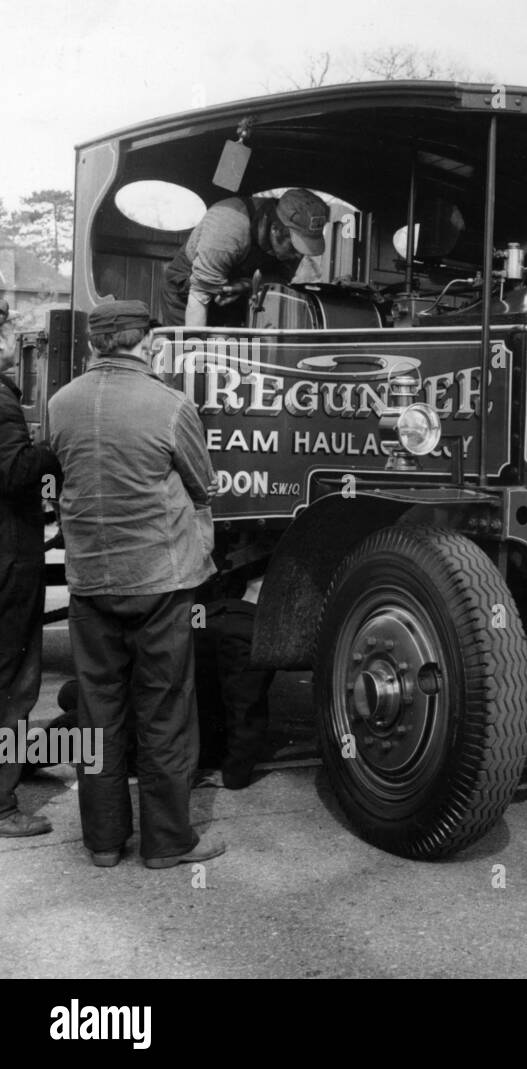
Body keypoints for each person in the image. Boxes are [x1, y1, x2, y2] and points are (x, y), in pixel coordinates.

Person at [47, 300, 226, 868]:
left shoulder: (59, 405)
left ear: (97, 344)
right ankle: (168, 843)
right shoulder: (171, 405)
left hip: (90, 581)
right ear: (143, 341)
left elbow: (61, 473)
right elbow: (204, 483)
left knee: (99, 711)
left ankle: (102, 843)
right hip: (159, 580)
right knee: (165, 710)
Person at [0, 297, 62, 836]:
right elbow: (17, 472)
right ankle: (0, 803)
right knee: (16, 681)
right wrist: (51, 444)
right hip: (9, 554)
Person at [160, 188, 328, 327]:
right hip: (189, 291)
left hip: (232, 293)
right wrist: (194, 356)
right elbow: (199, 297)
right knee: (189, 357)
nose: (298, 256)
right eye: (294, 247)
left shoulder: (292, 240)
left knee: (231, 358)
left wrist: (247, 285)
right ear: (275, 229)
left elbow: (278, 281)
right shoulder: (228, 227)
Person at [193, 563, 275, 790]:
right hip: (246, 620)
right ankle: (234, 772)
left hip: (209, 616)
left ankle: (206, 761)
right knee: (245, 704)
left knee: (204, 692)